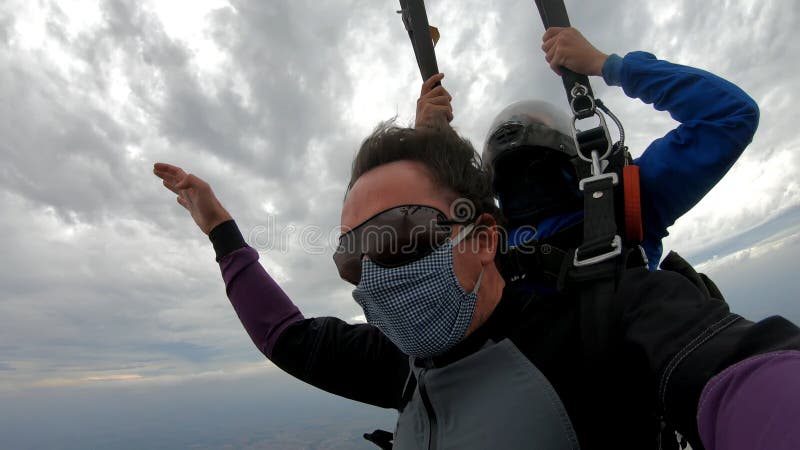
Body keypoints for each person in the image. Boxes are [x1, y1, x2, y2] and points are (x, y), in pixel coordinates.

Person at [154, 122, 800, 449]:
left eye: (399, 236)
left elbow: (749, 378)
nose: (375, 275)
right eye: (353, 257)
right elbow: (286, 337)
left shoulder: (606, 322)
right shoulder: (403, 363)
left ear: (485, 239)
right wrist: (221, 232)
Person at [416, 27, 760, 270]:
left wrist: (606, 64)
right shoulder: (483, 236)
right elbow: (731, 116)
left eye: (533, 121)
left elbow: (730, 115)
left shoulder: (625, 198)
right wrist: (424, 148)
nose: (521, 126)